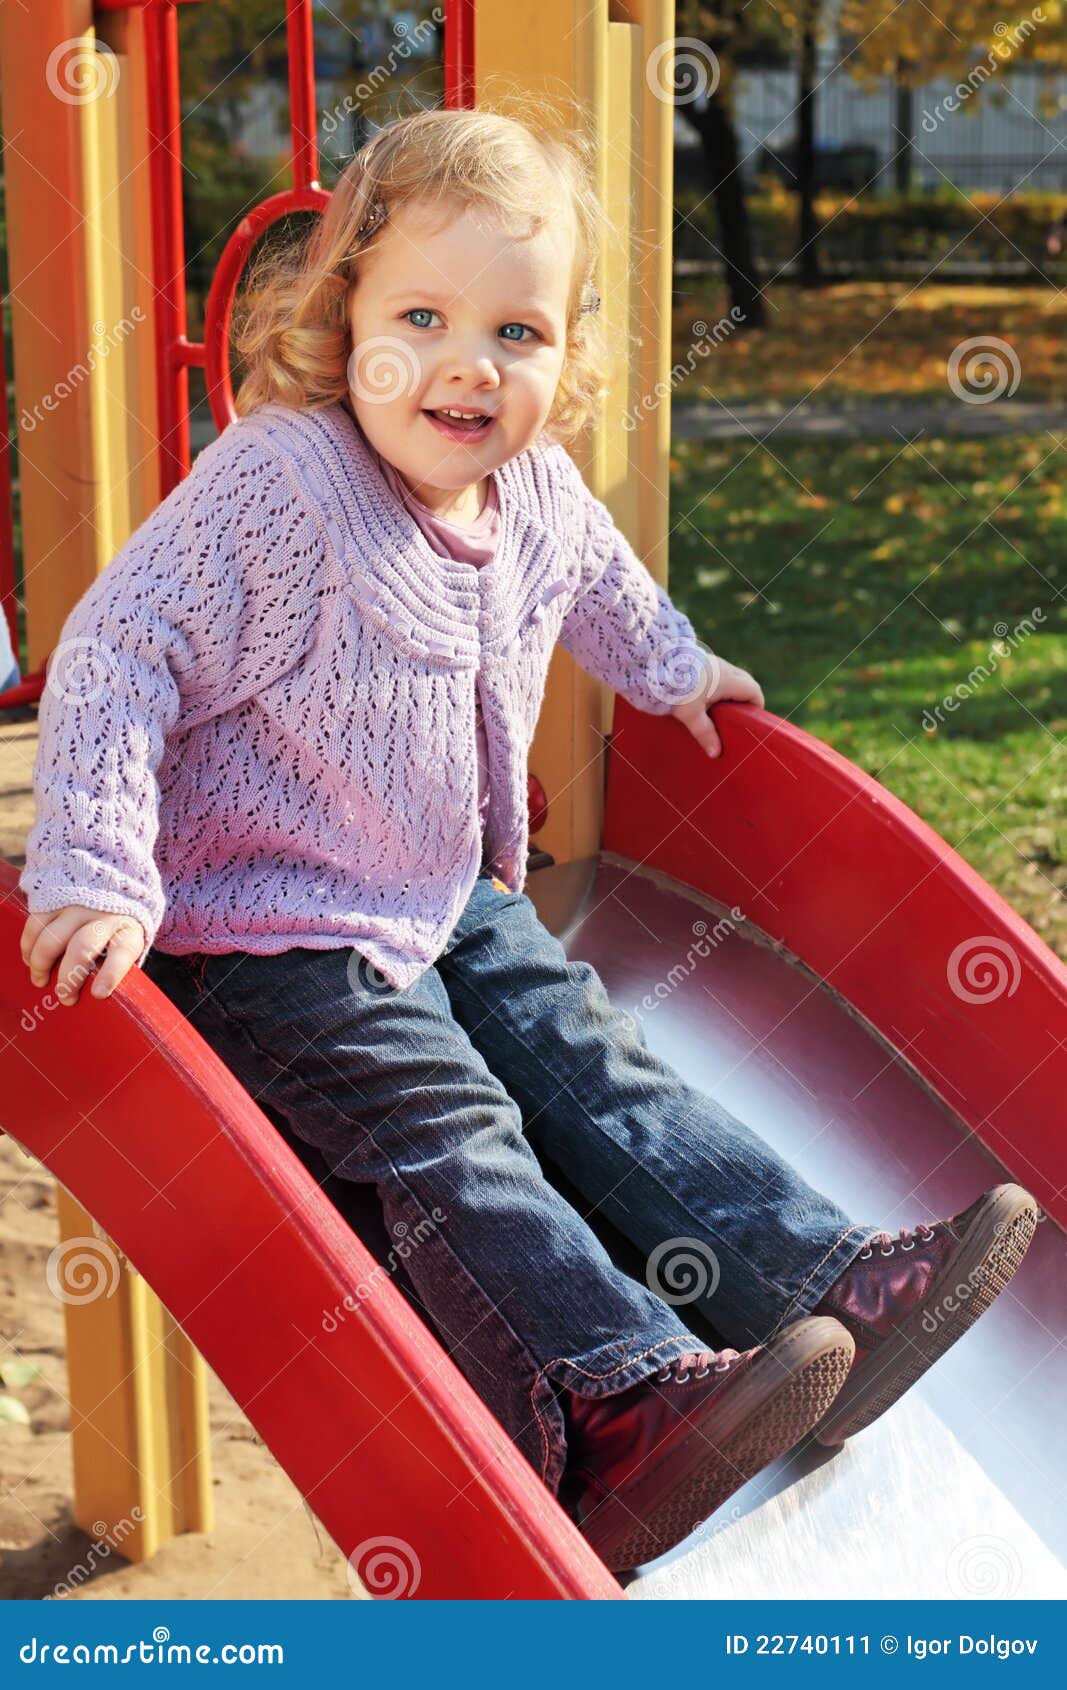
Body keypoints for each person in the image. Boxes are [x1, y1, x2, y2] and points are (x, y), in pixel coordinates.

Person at [18, 105, 1038, 1576]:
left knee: (589, 1053)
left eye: (518, 329)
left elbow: (595, 579)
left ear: (568, 350)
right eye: (420, 315)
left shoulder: (533, 484)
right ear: (343, 313)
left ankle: (812, 1277)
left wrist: (674, 667)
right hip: (271, 933)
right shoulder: (283, 486)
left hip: (440, 896)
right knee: (450, 1122)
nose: (468, 364)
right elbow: (119, 650)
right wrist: (103, 865)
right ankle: (603, 1402)